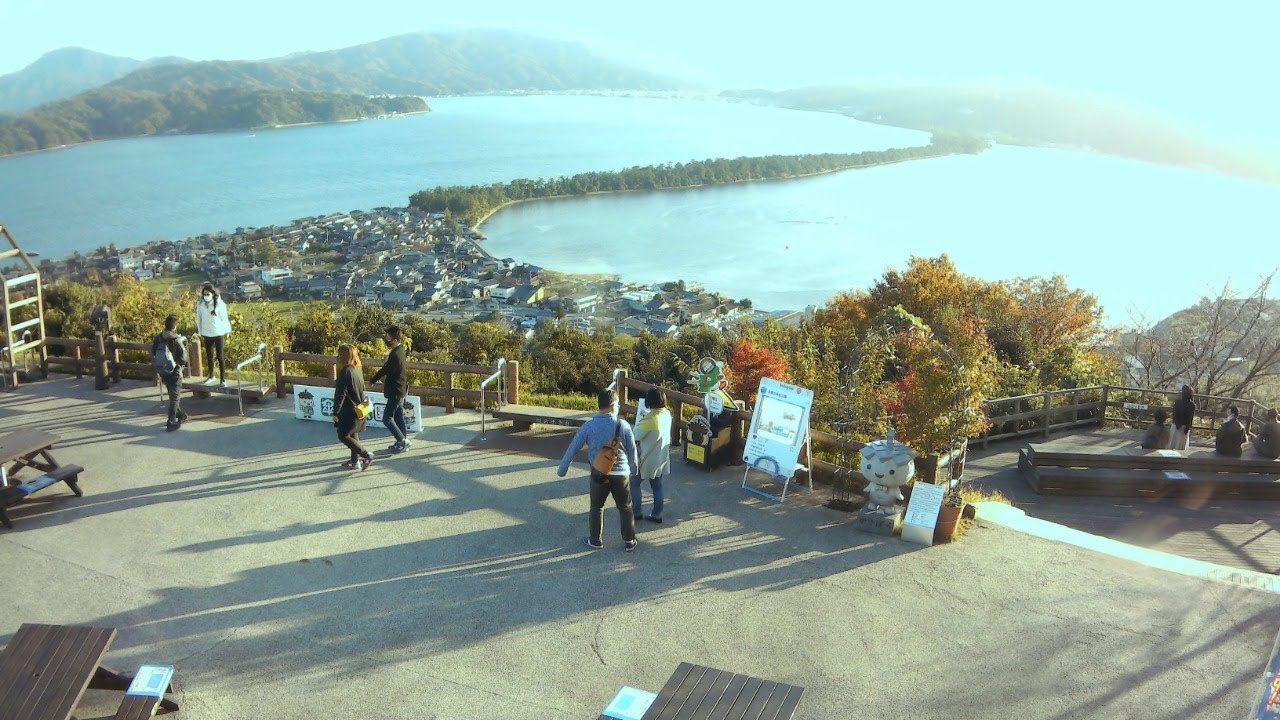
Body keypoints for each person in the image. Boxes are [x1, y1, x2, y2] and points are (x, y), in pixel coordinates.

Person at [557, 389, 639, 551]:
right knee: (625, 507)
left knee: (596, 507)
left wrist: (563, 468)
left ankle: (595, 540)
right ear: (614, 406)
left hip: (598, 473)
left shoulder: (589, 426)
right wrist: (634, 468)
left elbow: (573, 447)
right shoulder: (623, 425)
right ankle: (629, 540)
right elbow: (632, 449)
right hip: (621, 474)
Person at [632, 387, 672, 524]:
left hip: (646, 459)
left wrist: (640, 421)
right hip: (661, 457)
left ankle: (636, 512)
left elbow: (635, 435)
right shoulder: (667, 414)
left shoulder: (649, 419)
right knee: (657, 486)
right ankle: (657, 514)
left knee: (634, 484)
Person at [369, 325, 410, 453]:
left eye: (389, 338)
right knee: (398, 417)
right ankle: (403, 441)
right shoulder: (401, 350)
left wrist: (372, 380)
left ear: (395, 340)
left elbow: (386, 370)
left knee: (387, 418)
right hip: (401, 389)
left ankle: (402, 441)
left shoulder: (396, 354)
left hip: (395, 391)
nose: (387, 340)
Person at [334, 344, 373, 471]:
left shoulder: (345, 371)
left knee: (343, 434)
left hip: (349, 410)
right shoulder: (357, 368)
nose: (337, 357)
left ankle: (366, 455)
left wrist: (335, 412)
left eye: (339, 354)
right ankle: (354, 461)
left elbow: (341, 394)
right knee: (353, 433)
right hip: (359, 408)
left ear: (344, 356)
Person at [152, 314, 188, 432]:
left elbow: (153, 352)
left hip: (163, 370)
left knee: (172, 393)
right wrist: (180, 366)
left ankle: (179, 414)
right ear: (174, 327)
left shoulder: (158, 337)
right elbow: (183, 358)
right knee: (175, 397)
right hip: (175, 371)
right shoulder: (175, 339)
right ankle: (171, 421)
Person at [195, 283, 232, 388]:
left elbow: (224, 319)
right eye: (204, 294)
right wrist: (200, 332)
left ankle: (223, 380)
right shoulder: (200, 304)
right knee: (209, 356)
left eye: (208, 293)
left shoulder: (220, 304)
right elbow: (199, 319)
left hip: (218, 332)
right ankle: (211, 376)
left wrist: (227, 331)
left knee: (220, 356)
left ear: (212, 293)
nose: (206, 296)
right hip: (207, 333)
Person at [1169, 385, 1195, 450]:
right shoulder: (1192, 404)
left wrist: (1178, 425)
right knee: (1181, 447)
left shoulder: (1177, 402)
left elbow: (1174, 415)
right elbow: (1190, 418)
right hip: (1184, 427)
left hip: (1175, 426)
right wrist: (1187, 427)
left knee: (1172, 445)